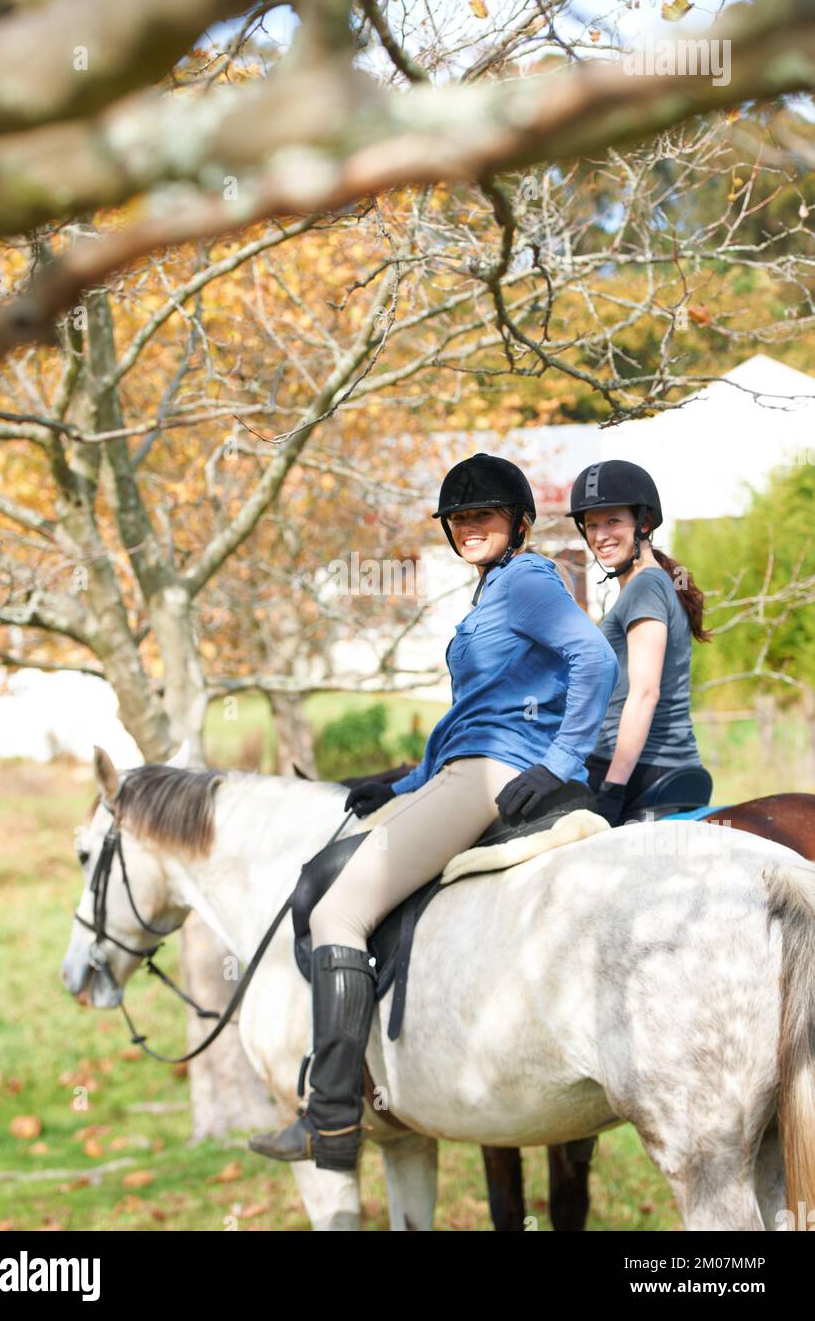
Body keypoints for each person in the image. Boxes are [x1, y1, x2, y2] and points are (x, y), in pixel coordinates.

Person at [249, 453, 618, 1172]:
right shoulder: (490, 594)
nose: (468, 528)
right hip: (462, 767)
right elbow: (473, 714)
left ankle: (331, 1121)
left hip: (494, 775)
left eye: (481, 516)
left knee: (336, 916)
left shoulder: (529, 581)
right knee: (324, 875)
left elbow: (595, 663)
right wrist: (403, 782)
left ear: (516, 522)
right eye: (458, 520)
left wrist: (560, 762)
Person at [566, 459, 712, 827]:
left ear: (643, 524)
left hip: (638, 769)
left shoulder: (646, 586)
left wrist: (613, 789)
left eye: (613, 521)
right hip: (652, 763)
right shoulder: (652, 583)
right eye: (592, 524)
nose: (600, 535)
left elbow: (645, 693)